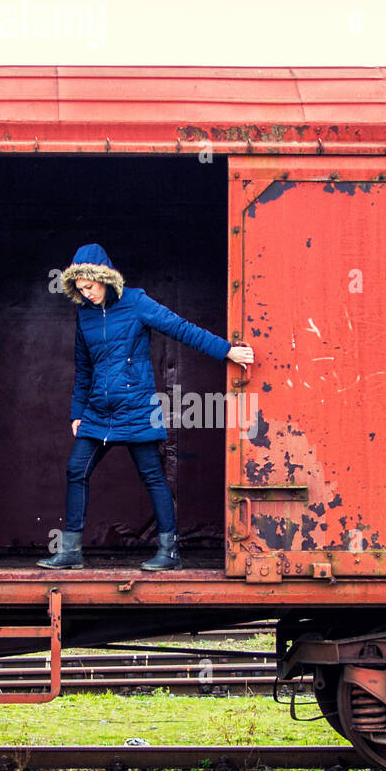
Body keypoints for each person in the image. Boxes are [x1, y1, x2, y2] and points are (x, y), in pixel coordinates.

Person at [36, 243, 254, 572]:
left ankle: (169, 552)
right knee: (75, 471)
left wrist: (227, 351)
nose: (87, 294)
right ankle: (70, 552)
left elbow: (181, 328)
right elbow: (83, 368)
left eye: (90, 287)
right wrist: (77, 413)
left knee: (152, 476)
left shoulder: (136, 302)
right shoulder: (85, 315)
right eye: (80, 289)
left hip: (137, 407)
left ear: (105, 279)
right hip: (98, 412)